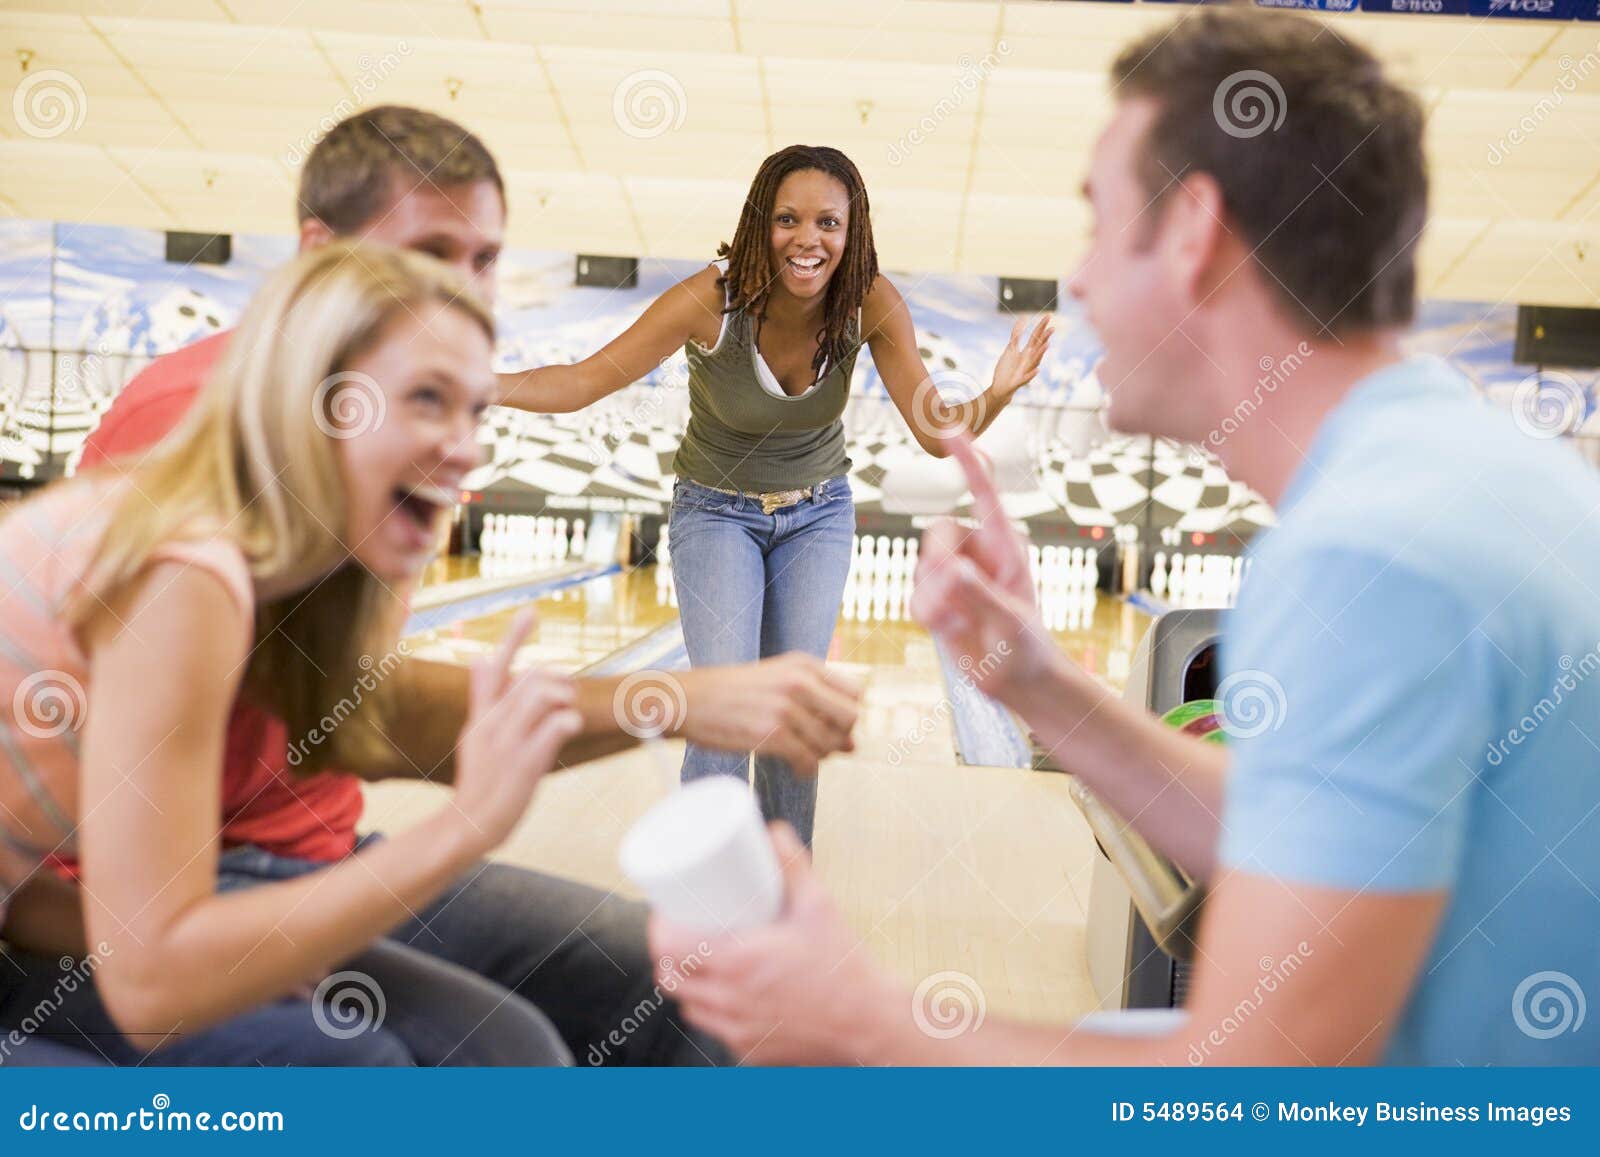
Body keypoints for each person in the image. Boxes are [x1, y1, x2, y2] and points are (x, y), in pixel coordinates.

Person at [648, 7, 1600, 1066]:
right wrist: (1040, 683)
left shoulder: (1369, 553)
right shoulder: (1437, 471)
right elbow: (1294, 836)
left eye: (1098, 224)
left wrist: (865, 1021)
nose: (1085, 278)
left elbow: (1253, 1084)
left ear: (1192, 236)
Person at [2, 106, 861, 1066]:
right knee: (449, 1064)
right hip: (142, 889)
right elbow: (145, 928)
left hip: (286, 863)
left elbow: (351, 714)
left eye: (484, 259)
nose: (456, 288)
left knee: (670, 990)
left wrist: (682, 700)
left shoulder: (359, 449)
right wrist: (465, 825)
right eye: (425, 254)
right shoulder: (205, 468)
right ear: (319, 258)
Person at [0, 244, 589, 1064]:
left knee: (505, 1052)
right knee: (357, 1069)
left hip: (31, 932)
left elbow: (20, 887)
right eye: (427, 399)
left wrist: (241, 958)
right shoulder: (187, 574)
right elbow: (151, 991)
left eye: (477, 411)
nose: (463, 445)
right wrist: (465, 826)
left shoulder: (250, 559)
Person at [499, 144, 1053, 844]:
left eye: (828, 222)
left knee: (793, 710)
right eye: (788, 219)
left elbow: (937, 433)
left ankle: (783, 890)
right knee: (726, 709)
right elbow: (582, 382)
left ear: (852, 234)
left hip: (817, 516)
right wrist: (478, 387)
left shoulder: (869, 302)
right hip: (714, 512)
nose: (808, 239)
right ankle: (706, 893)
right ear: (762, 223)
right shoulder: (711, 300)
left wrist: (997, 392)